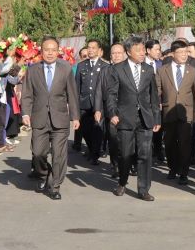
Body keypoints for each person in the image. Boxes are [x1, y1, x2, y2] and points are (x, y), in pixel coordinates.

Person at [21, 36, 80, 200]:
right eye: (47, 50)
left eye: (53, 50)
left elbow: (72, 94)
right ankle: (44, 174)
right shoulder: (33, 70)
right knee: (38, 153)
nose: (50, 53)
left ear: (58, 51)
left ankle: (55, 186)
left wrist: (75, 116)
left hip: (60, 119)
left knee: (59, 155)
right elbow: (27, 94)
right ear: (41, 51)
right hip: (39, 118)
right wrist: (25, 113)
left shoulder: (65, 68)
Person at [105, 36, 161, 201]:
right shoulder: (117, 69)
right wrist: (112, 113)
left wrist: (156, 118)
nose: (142, 53)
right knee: (125, 154)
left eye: (143, 50)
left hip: (145, 118)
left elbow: (153, 96)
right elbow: (111, 94)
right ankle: (122, 182)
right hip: (125, 118)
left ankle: (143, 190)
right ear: (128, 52)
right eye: (138, 50)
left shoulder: (148, 69)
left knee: (145, 155)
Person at [157, 40, 195, 185]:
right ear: (172, 54)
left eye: (186, 52)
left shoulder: (192, 70)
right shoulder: (162, 70)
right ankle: (173, 168)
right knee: (169, 142)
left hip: (186, 112)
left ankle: (184, 172)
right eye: (181, 52)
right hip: (168, 111)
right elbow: (157, 91)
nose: (184, 55)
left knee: (185, 143)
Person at [94, 42, 127, 178]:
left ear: (125, 54)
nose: (117, 55)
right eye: (114, 53)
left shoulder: (130, 69)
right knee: (113, 140)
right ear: (110, 55)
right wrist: (97, 109)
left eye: (119, 53)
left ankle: (128, 164)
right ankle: (116, 165)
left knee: (127, 141)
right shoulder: (105, 70)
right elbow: (98, 91)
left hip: (128, 111)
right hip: (111, 111)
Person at [75, 39, 109, 166]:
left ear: (99, 50)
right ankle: (91, 149)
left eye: (93, 48)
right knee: (85, 130)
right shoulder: (81, 65)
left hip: (99, 104)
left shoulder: (105, 66)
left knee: (97, 130)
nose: (90, 50)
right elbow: (77, 86)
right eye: (89, 47)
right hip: (84, 103)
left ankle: (95, 154)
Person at [145, 39, 164, 162]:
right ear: (148, 50)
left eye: (159, 49)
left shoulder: (161, 65)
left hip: (159, 102)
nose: (159, 52)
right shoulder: (141, 64)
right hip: (146, 101)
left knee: (158, 127)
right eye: (156, 49)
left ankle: (158, 149)